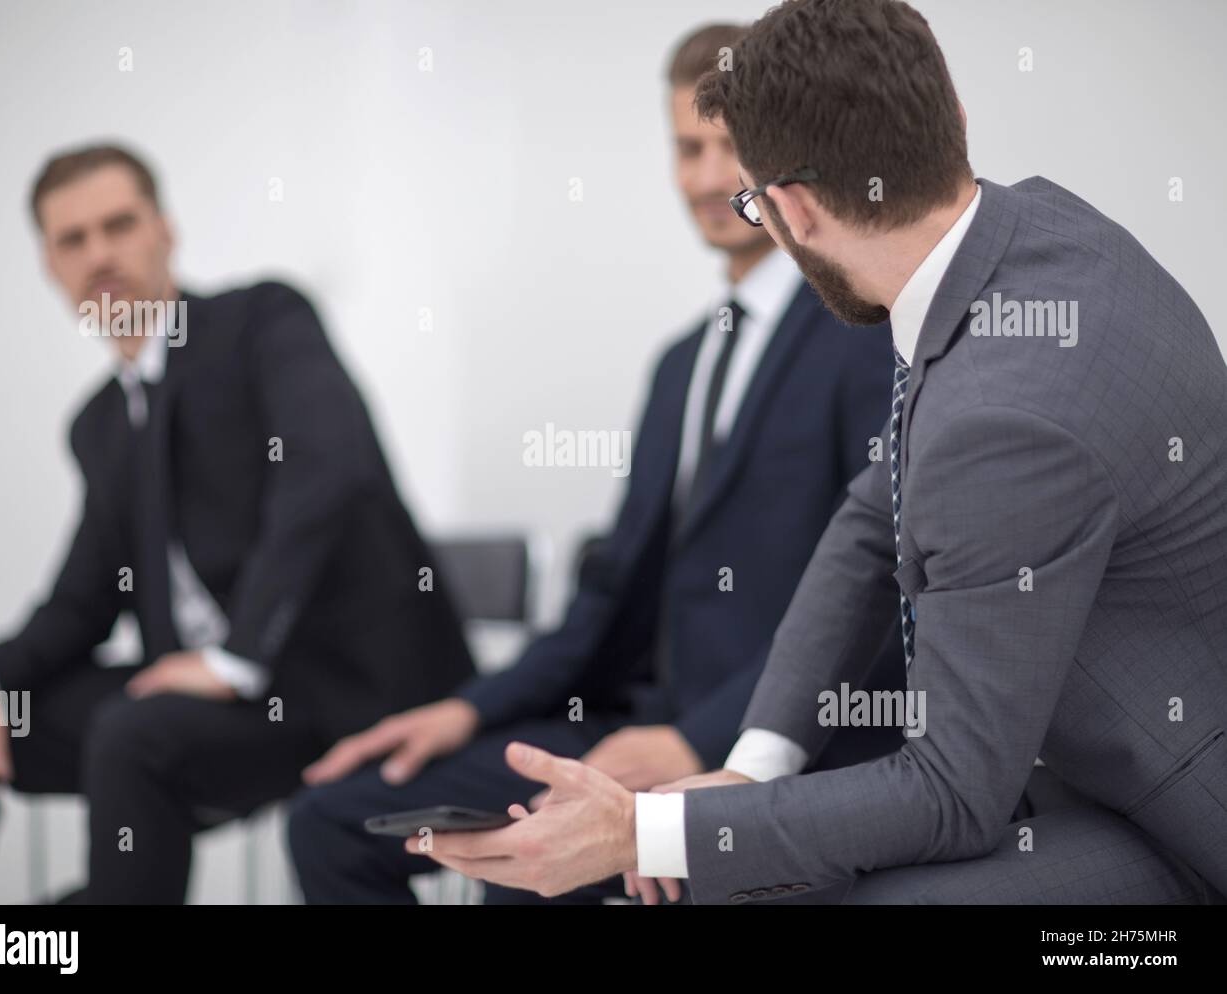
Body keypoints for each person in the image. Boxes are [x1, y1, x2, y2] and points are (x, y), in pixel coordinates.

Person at [411, 0, 1227, 906]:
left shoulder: (1002, 415)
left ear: (791, 208)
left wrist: (643, 831)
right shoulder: (1028, 240)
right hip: (1074, 757)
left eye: (751, 198)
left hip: (1170, 820)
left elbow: (953, 793)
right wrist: (754, 766)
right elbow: (872, 521)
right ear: (949, 120)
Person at [287, 22, 902, 904]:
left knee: (528, 865)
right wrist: (469, 707)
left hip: (773, 747)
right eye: (687, 147)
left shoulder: (861, 335)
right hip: (635, 725)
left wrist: (698, 743)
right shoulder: (681, 365)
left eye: (729, 147)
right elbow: (611, 595)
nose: (701, 177)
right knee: (331, 821)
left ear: (785, 154)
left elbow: (880, 594)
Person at [0, 144, 474, 903]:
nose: (100, 254)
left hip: (337, 695)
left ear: (165, 232)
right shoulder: (99, 424)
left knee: (132, 732)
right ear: (49, 266)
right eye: (72, 240)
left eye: (118, 225)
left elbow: (325, 473)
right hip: (208, 706)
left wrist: (237, 657)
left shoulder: (262, 322)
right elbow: (82, 602)